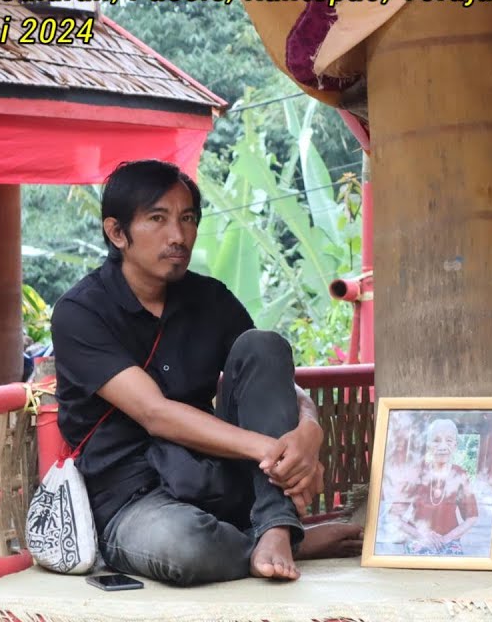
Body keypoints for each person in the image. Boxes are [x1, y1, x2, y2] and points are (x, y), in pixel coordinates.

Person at [51, 159, 362, 586]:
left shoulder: (210, 299)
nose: (178, 236)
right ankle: (290, 542)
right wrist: (275, 451)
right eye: (157, 219)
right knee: (187, 548)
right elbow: (155, 413)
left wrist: (309, 431)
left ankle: (275, 527)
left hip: (211, 480)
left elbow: (275, 379)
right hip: (131, 499)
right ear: (117, 232)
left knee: (263, 343)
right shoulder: (81, 312)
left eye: (188, 219)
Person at [384, 418, 480, 555]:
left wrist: (447, 538)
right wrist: (421, 535)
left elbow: (472, 517)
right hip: (418, 537)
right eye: (436, 440)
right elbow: (394, 516)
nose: (442, 446)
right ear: (428, 445)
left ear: (455, 445)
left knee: (452, 566)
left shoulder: (460, 475)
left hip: (449, 539)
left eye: (449, 440)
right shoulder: (416, 474)